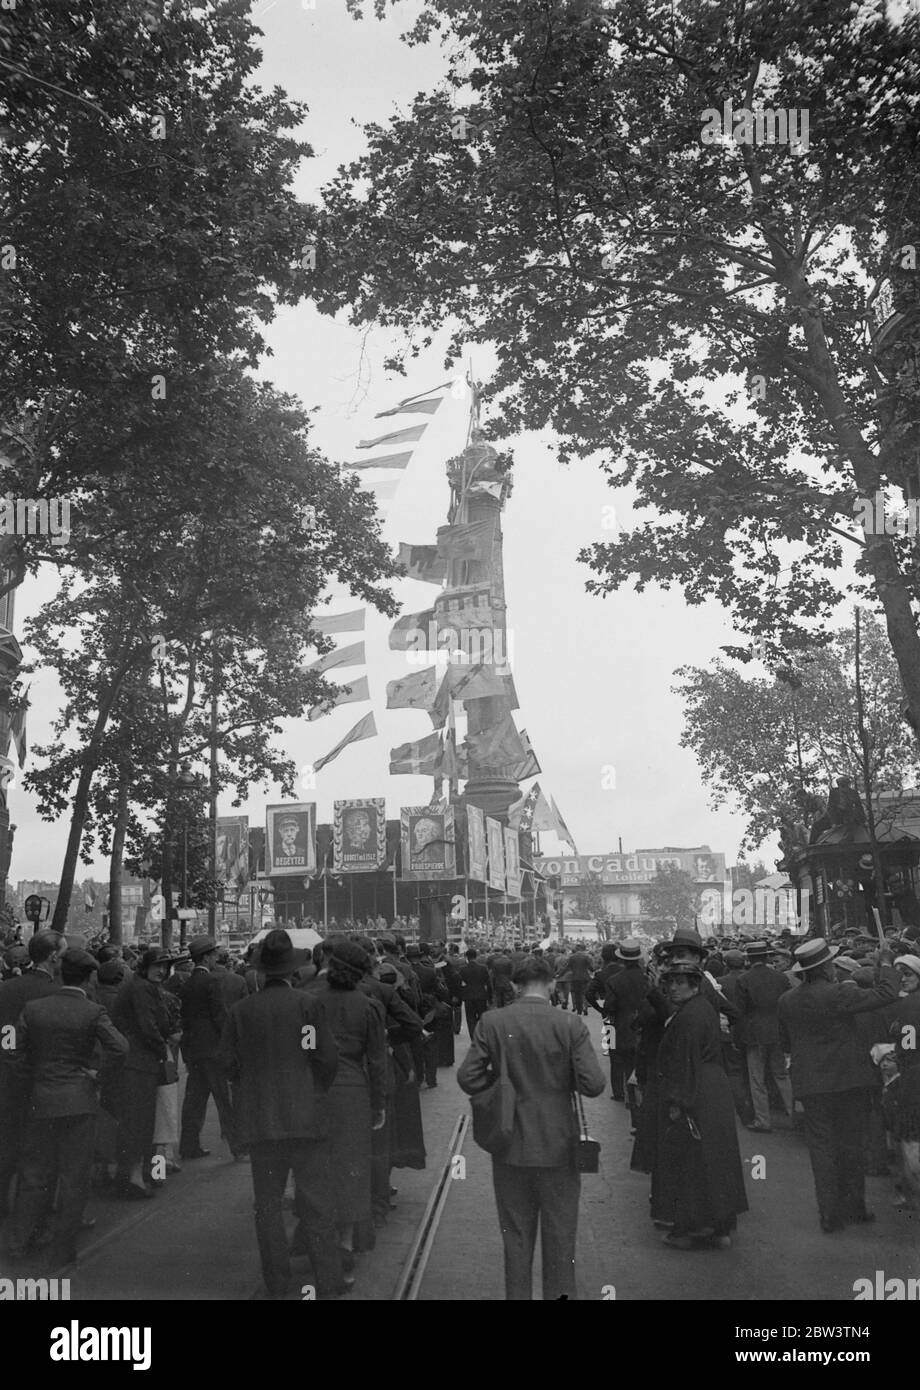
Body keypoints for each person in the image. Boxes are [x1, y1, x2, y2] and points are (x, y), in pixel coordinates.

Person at [457, 956, 605, 1301]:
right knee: (561, 1237)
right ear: (552, 983)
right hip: (559, 1145)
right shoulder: (569, 1024)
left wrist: (499, 1091)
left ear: (514, 984)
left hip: (509, 1144)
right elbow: (594, 1084)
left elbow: (468, 1077)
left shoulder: (493, 1021)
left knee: (516, 1237)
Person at [219, 929, 347, 1299]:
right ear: (292, 971)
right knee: (317, 1204)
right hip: (306, 1117)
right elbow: (322, 1056)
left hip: (262, 1121)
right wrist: (312, 1088)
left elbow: (228, 1062)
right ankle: (328, 1281)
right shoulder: (306, 1007)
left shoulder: (241, 1011)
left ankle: (276, 1282)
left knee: (268, 1205)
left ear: (259, 972)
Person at [7, 949, 128, 1265]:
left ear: (60, 974)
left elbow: (12, 1051)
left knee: (33, 1174)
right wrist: (97, 1075)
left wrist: (31, 1079)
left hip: (41, 1099)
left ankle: (18, 1244)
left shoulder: (33, 1009)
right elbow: (120, 1047)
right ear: (89, 978)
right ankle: (63, 1249)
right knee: (74, 1178)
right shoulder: (92, 1010)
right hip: (79, 1100)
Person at [778, 937, 899, 1232]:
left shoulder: (787, 1001)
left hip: (811, 1084)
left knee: (821, 1149)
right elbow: (887, 992)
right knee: (850, 1145)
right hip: (848, 1081)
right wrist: (885, 962)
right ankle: (854, 1207)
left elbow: (786, 1042)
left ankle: (828, 1214)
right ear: (826, 968)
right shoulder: (839, 994)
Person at [653, 961, 748, 1250]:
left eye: (681, 982)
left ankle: (695, 1227)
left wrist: (678, 1102)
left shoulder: (691, 1015)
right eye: (670, 982)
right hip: (712, 1089)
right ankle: (719, 1226)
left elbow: (686, 1061)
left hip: (697, 1091)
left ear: (695, 985)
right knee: (717, 1158)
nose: (673, 987)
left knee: (694, 1160)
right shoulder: (702, 1008)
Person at [306, 939, 387, 1266]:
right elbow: (377, 1061)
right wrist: (378, 1104)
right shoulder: (368, 1006)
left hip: (315, 1093)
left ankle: (316, 1242)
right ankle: (347, 1244)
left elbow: (305, 1047)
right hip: (354, 1094)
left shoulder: (310, 1002)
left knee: (316, 1168)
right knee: (352, 1169)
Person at [0, 929, 64, 1218]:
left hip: (9, 1077)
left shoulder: (8, 989)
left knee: (9, 1144)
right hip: (46, 1080)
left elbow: (7, 1033)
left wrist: (12, 1058)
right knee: (42, 1152)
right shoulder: (56, 993)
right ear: (53, 957)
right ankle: (37, 1215)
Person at [111, 947, 176, 1198]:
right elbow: (148, 1026)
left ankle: (141, 1175)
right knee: (145, 1122)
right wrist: (164, 1049)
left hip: (139, 1062)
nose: (162, 970)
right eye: (157, 965)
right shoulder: (142, 989)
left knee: (148, 1120)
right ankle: (137, 1177)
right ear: (145, 966)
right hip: (142, 1062)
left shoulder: (140, 986)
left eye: (165, 965)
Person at [179, 936, 240, 1160]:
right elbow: (219, 1016)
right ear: (206, 957)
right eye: (214, 954)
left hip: (193, 1049)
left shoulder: (186, 983)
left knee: (194, 1099)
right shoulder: (212, 981)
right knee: (224, 1099)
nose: (216, 958)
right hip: (213, 1048)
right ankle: (238, 1145)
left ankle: (189, 1145)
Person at [736, 940, 793, 1133]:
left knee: (757, 1079)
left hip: (754, 1033)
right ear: (766, 956)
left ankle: (763, 1120)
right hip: (778, 1031)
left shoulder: (744, 980)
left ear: (749, 959)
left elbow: (740, 1011)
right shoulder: (780, 977)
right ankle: (794, 1115)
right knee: (782, 1075)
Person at [603, 940, 648, 1104]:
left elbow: (609, 1006)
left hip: (620, 1025)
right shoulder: (646, 978)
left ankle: (627, 1097)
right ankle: (640, 1099)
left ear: (622, 959)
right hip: (644, 1025)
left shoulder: (614, 980)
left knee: (623, 1061)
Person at [459, 948, 492, 1037]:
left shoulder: (462, 969)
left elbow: (460, 984)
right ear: (476, 956)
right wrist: (489, 997)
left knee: (470, 1018)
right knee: (482, 1018)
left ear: (467, 957)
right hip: (481, 996)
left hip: (468, 997)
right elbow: (488, 983)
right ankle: (481, 1036)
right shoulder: (483, 968)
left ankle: (473, 1038)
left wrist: (462, 995)